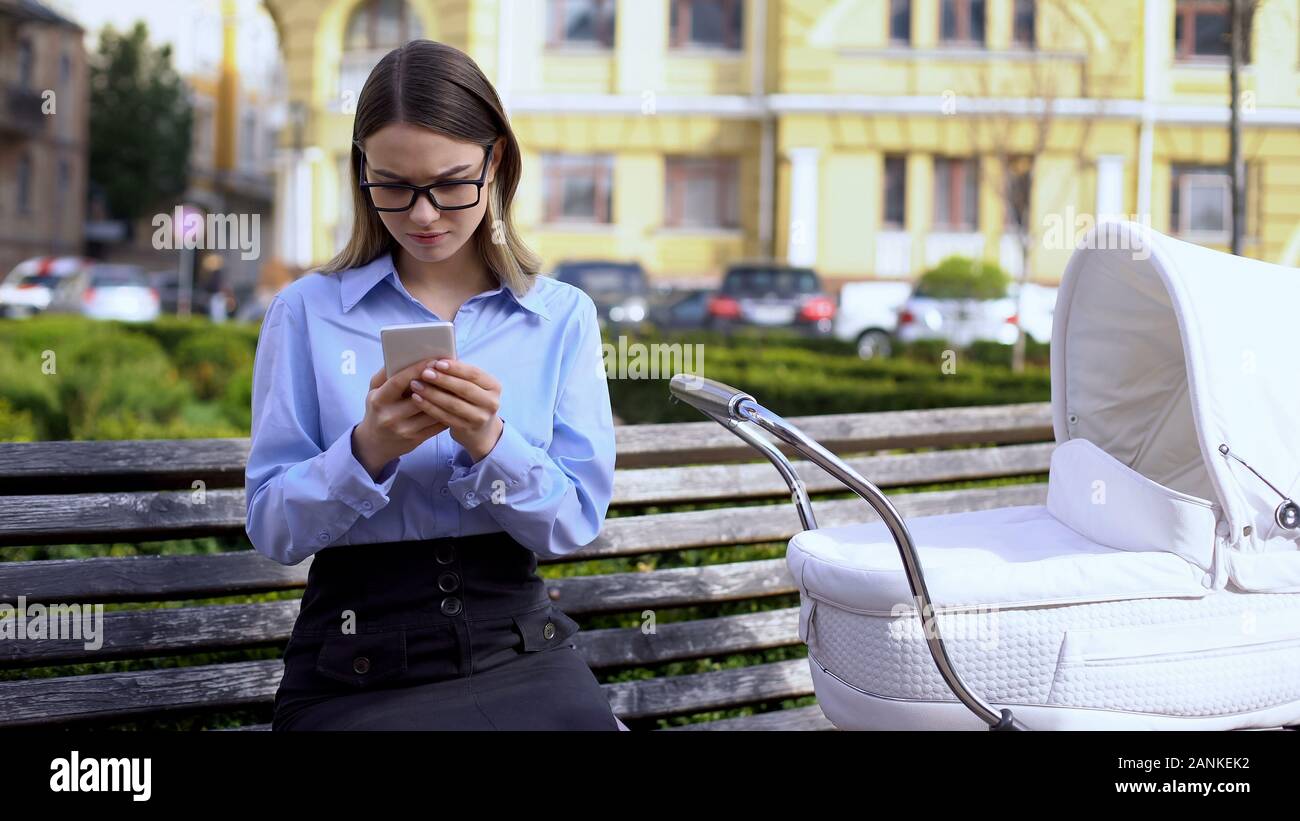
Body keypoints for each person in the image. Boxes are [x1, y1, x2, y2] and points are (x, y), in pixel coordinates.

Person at [244, 39, 623, 731]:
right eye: (393, 184)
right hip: (354, 665)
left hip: (519, 649)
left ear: (496, 161)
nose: (423, 214)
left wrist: (490, 441)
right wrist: (364, 452)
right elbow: (273, 527)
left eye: (451, 183)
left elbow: (572, 524)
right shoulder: (307, 311)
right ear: (361, 171)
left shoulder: (559, 316)